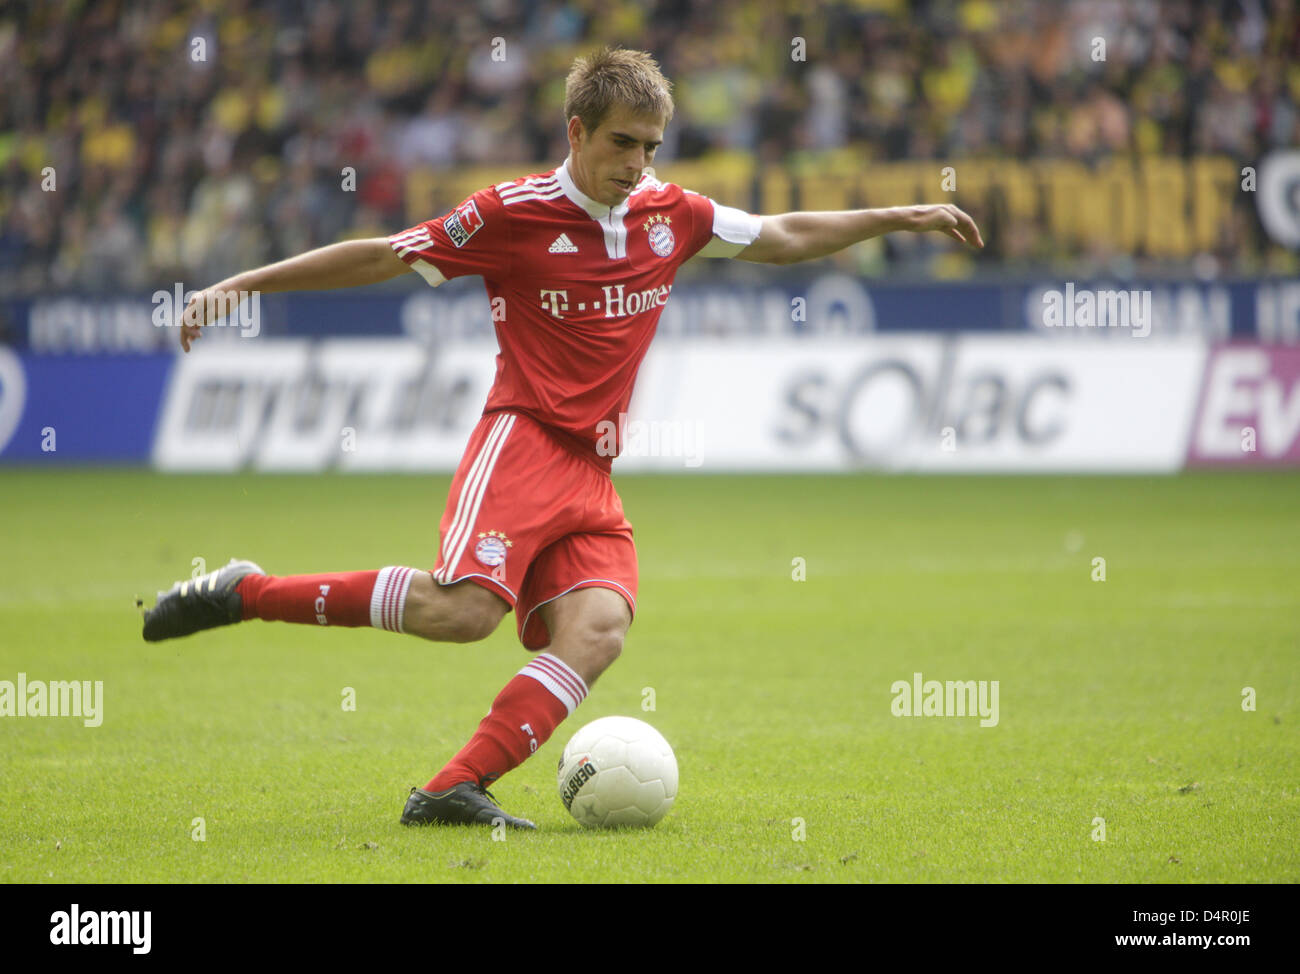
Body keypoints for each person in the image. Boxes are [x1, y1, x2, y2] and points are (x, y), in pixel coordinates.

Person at [141, 47, 983, 829]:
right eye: (622, 143)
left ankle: (451, 788)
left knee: (601, 629)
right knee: (464, 613)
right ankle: (249, 592)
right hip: (524, 442)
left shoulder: (670, 215)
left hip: (593, 473)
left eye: (652, 146)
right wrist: (244, 285)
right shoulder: (508, 214)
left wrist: (900, 216)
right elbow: (381, 258)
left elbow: (780, 237)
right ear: (576, 132)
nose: (638, 164)